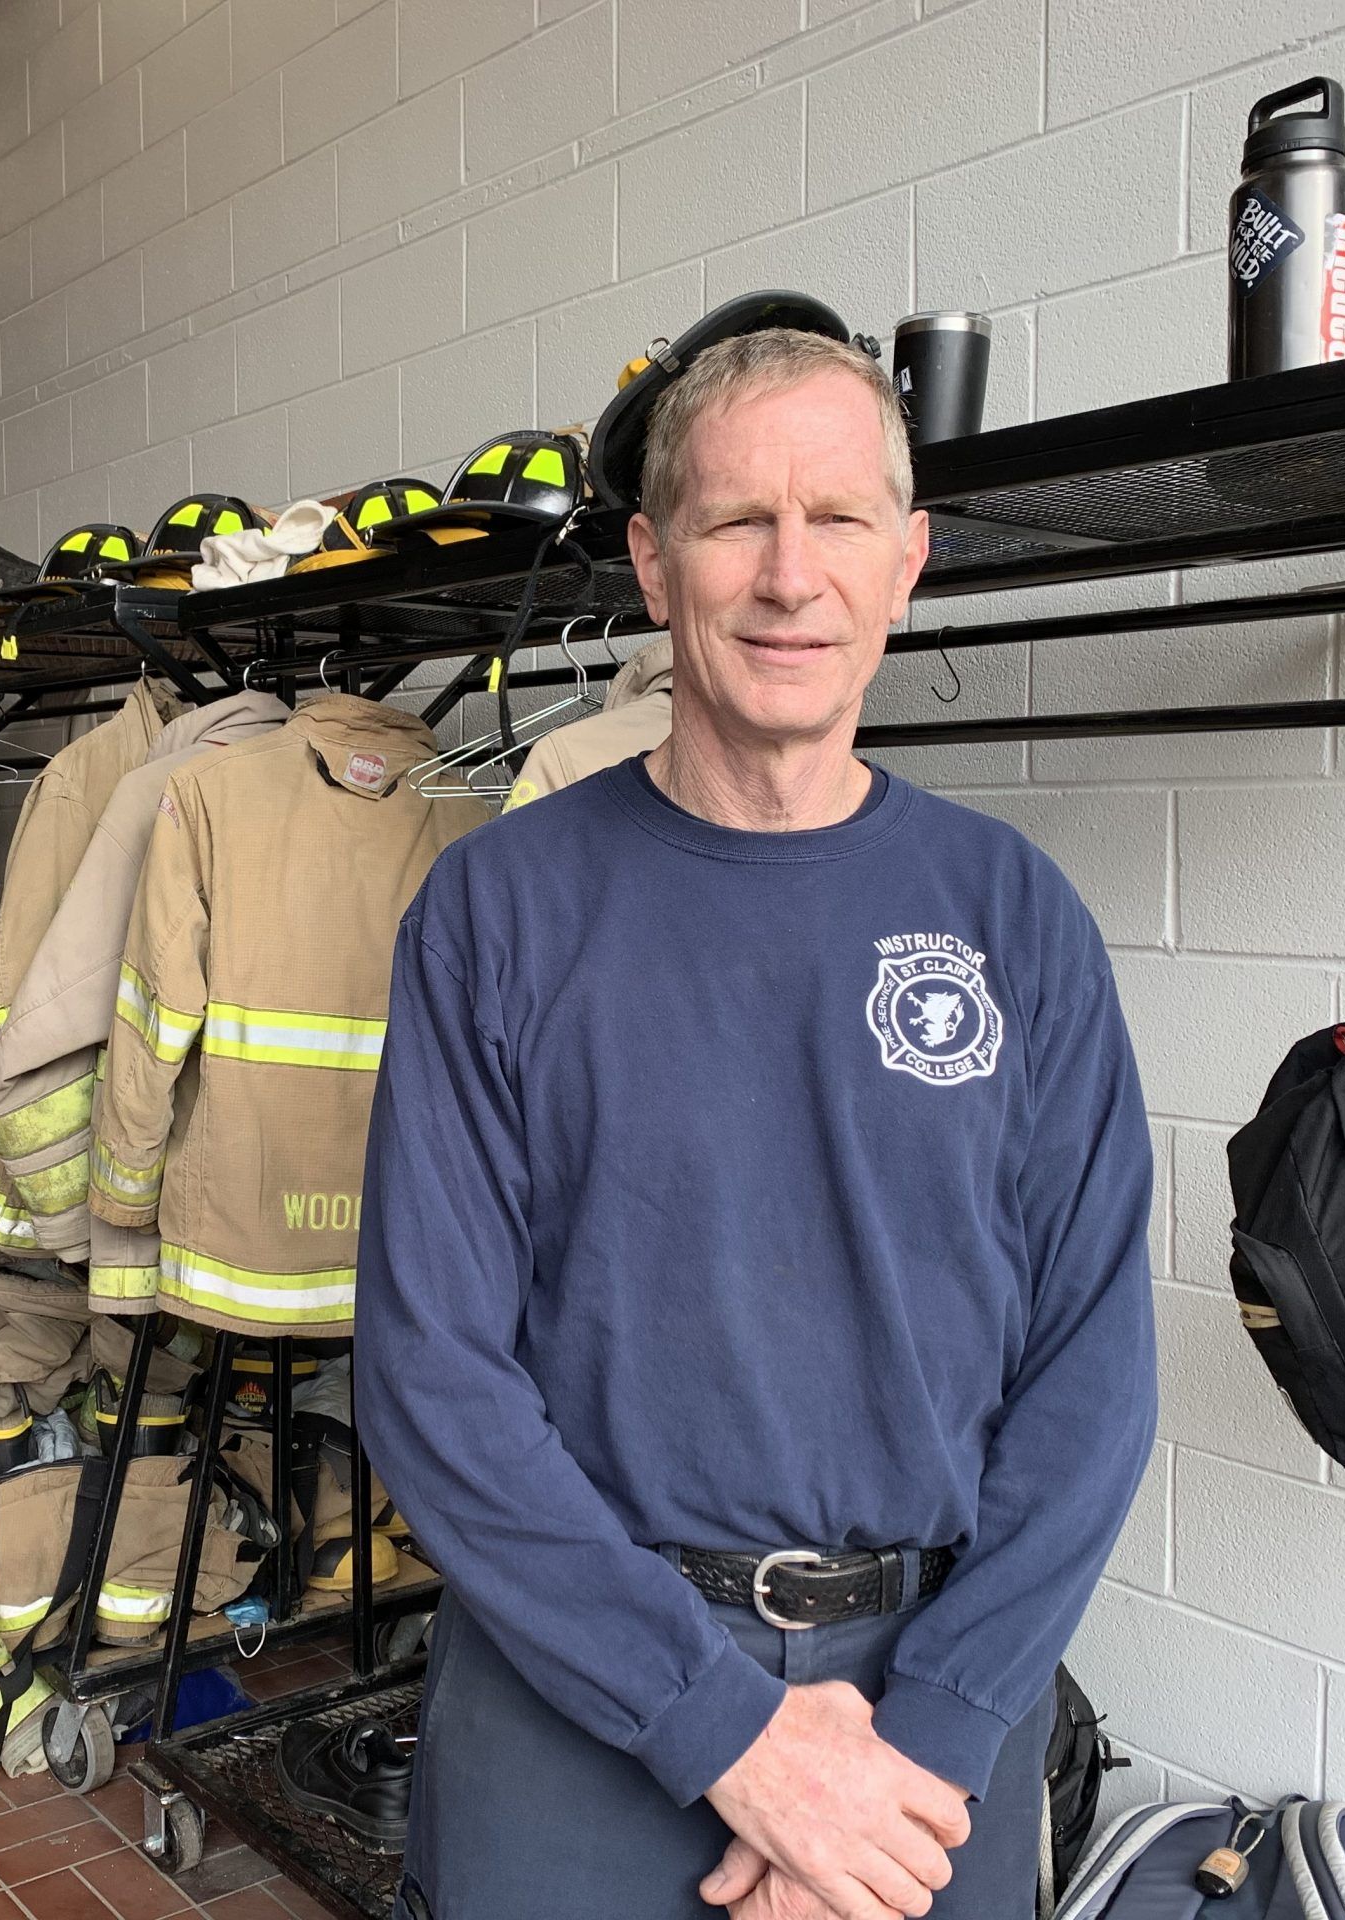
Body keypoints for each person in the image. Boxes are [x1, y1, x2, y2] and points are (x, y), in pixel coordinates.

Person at [358, 327, 1158, 1920]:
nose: (791, 577)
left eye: (841, 520)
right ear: (655, 566)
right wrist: (735, 1740)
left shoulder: (1017, 921)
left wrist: (914, 1751)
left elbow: (1094, 1378)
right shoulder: (496, 914)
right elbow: (432, 1378)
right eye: (737, 523)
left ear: (907, 561)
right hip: (571, 1693)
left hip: (929, 1726)